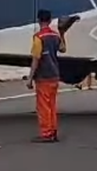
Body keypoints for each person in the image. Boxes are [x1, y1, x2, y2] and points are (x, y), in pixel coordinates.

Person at [25, 9, 66, 143]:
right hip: (55, 75)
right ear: (49, 20)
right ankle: (53, 131)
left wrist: (30, 78)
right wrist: (62, 33)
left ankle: (47, 133)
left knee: (43, 107)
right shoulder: (55, 36)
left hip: (43, 76)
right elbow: (63, 49)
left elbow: (36, 59)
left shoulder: (38, 37)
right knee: (52, 106)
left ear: (38, 20)